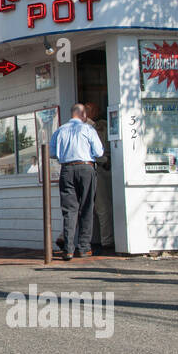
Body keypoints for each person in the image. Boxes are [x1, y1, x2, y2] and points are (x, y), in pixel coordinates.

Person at [49, 103, 104, 260]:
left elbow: (52, 153)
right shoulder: (88, 129)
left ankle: (68, 249)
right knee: (86, 207)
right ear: (84, 115)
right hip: (86, 168)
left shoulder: (60, 130)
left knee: (69, 210)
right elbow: (99, 152)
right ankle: (84, 248)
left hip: (67, 169)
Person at [83, 101, 114, 252]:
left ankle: (70, 239)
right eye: (93, 109)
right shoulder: (90, 127)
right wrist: (105, 160)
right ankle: (107, 241)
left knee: (80, 207)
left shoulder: (71, 128)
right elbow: (96, 150)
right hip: (97, 167)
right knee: (103, 207)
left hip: (78, 170)